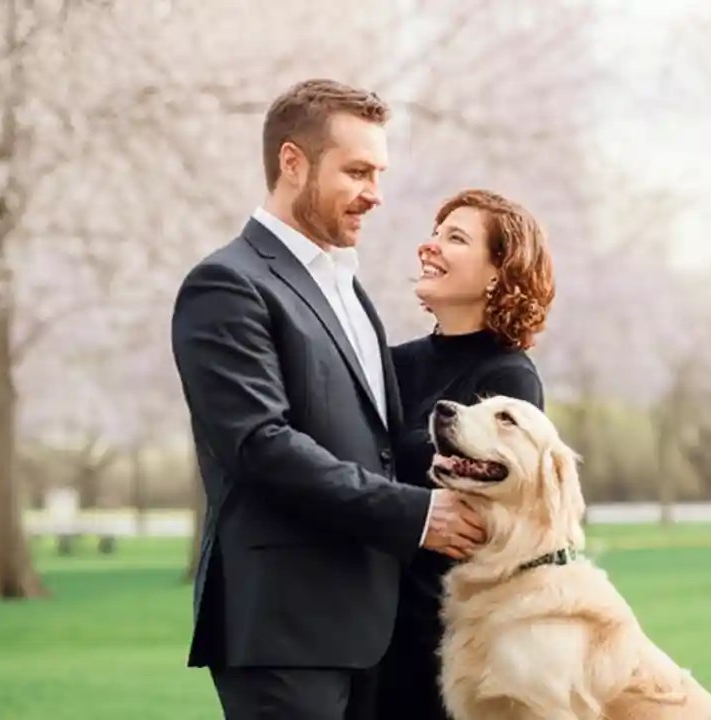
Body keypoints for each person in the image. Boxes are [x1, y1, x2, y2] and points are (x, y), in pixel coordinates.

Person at [170, 79, 487, 720]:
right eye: (358, 171)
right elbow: (262, 446)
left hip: (374, 627)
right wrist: (418, 515)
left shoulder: (351, 289)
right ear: (293, 163)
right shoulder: (227, 284)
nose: (375, 193)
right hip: (283, 625)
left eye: (379, 172)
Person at [374, 189, 556, 719]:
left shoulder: (507, 381)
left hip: (435, 637)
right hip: (366, 626)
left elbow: (487, 521)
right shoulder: (392, 364)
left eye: (455, 237)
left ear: (499, 272)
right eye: (435, 232)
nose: (429, 247)